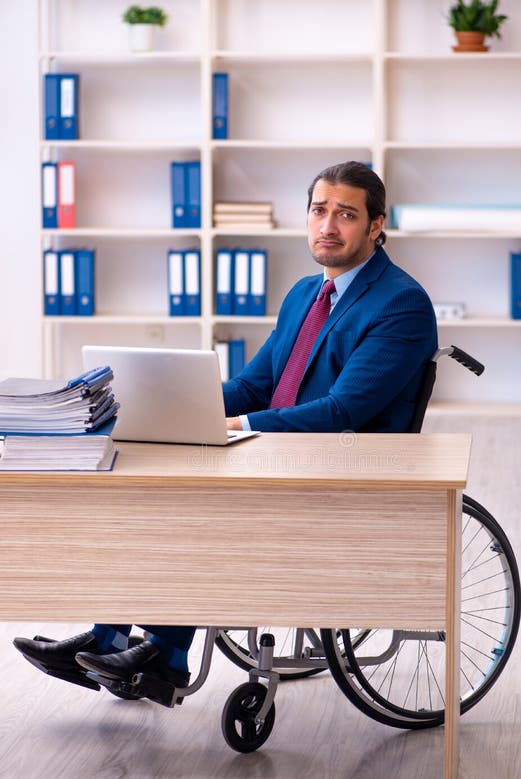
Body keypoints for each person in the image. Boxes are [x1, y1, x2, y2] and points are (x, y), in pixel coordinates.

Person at [13, 161, 438, 696]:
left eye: (346, 215)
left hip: (344, 466)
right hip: (281, 452)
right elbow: (256, 385)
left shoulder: (400, 303)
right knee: (147, 487)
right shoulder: (307, 292)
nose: (328, 226)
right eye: (318, 211)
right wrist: (174, 405)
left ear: (376, 225)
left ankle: (165, 654)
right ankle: (108, 638)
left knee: (198, 504)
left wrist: (241, 422)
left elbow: (342, 410)